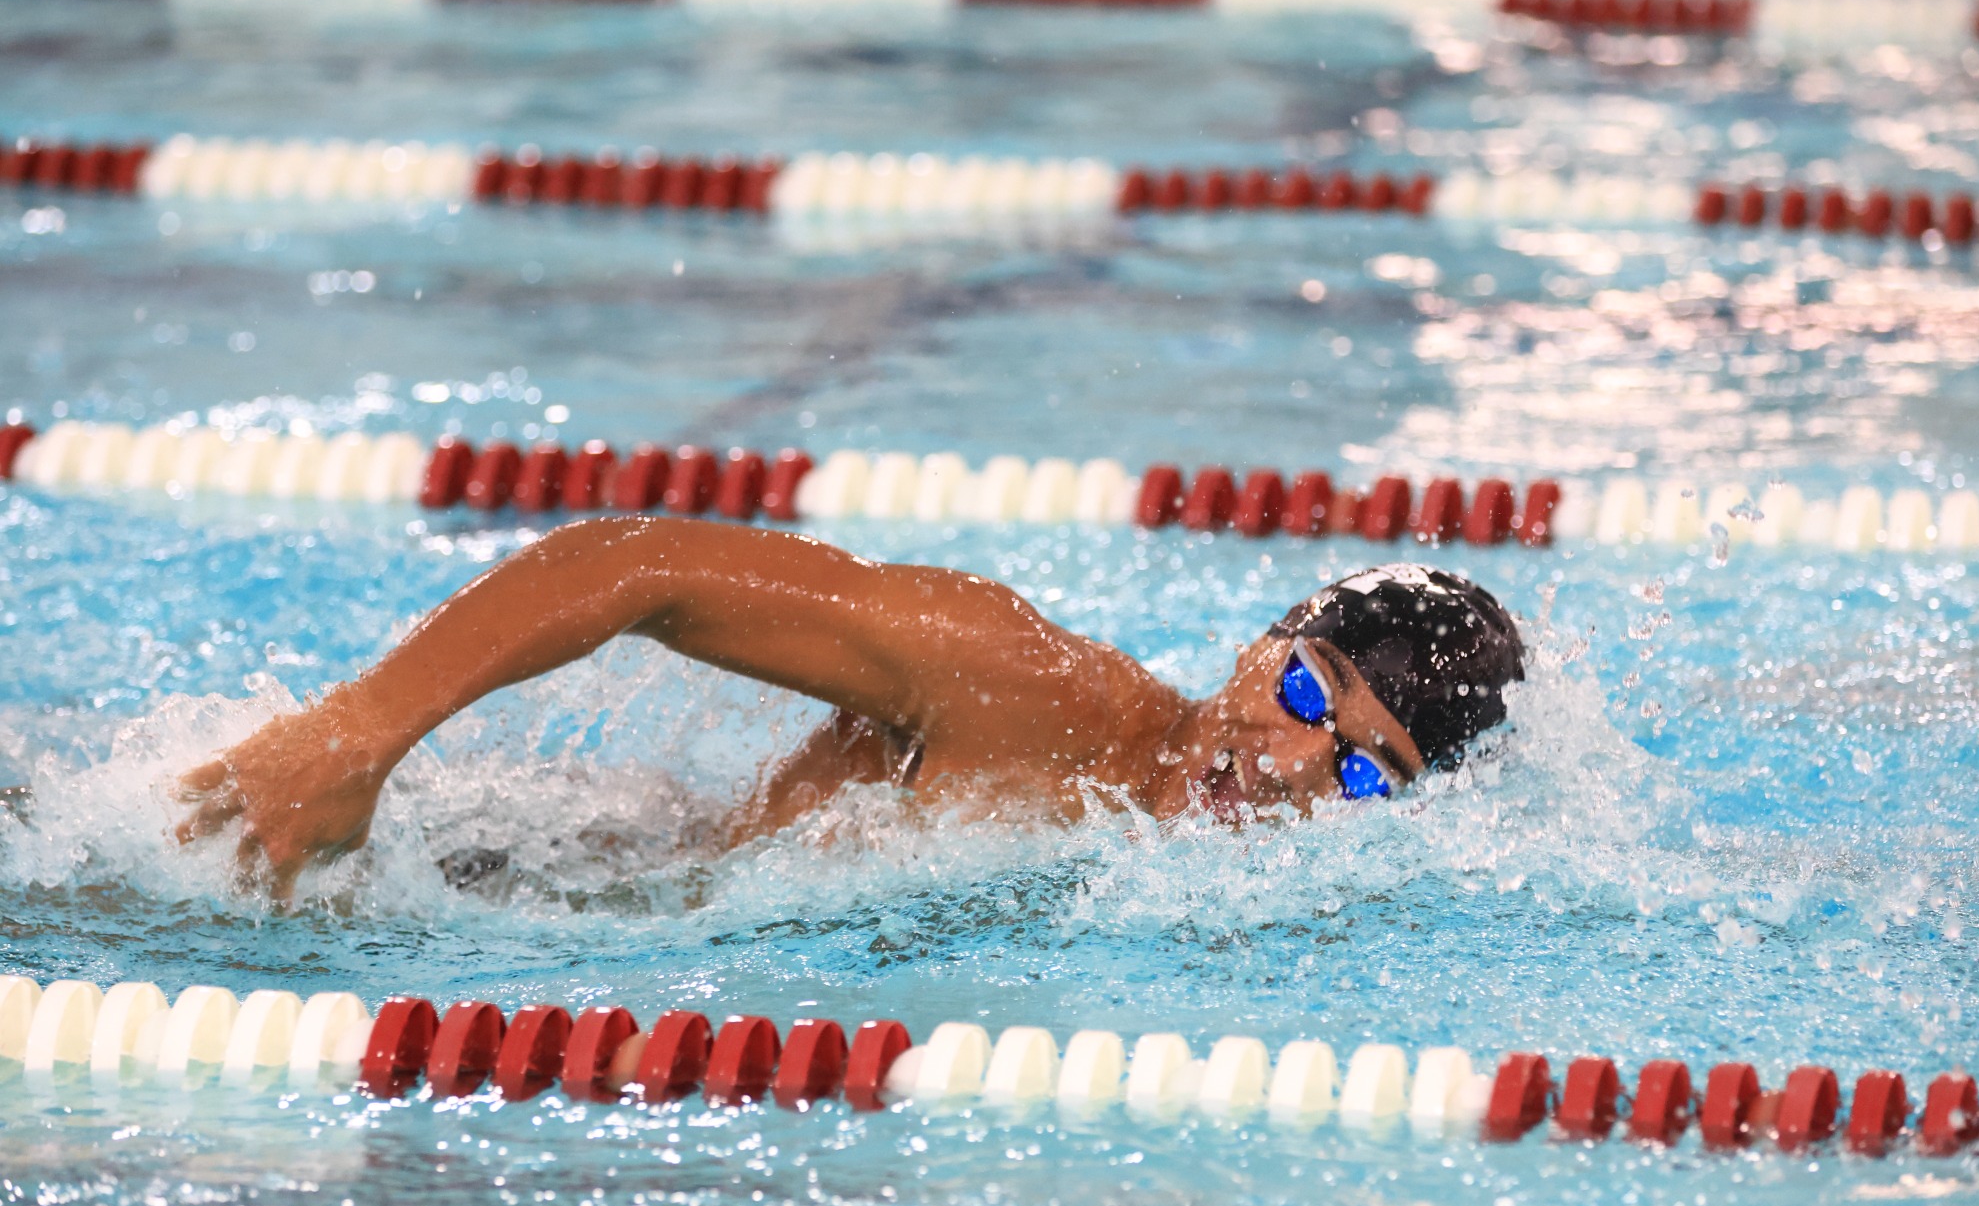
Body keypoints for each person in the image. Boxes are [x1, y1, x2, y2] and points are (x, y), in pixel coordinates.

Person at [174, 518, 1526, 897]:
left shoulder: (1240, 910)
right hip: (529, 881)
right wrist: (359, 731)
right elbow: (637, 567)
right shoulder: (1026, 687)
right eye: (1307, 691)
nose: (1295, 766)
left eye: (1359, 775)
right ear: (1265, 639)